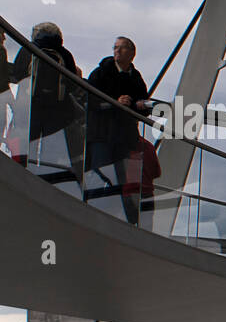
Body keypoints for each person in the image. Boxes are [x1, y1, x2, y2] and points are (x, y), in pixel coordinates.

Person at [86, 37, 151, 224]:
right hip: (102, 134)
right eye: (115, 48)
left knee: (121, 179)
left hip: (122, 136)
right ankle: (94, 211)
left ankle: (117, 217)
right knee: (101, 173)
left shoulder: (136, 78)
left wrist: (140, 106)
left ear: (132, 53)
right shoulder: (101, 73)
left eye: (121, 48)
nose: (116, 51)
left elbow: (144, 105)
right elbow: (90, 100)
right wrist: (114, 103)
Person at [6, 21, 81, 169]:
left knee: (27, 146)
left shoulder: (28, 49)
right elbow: (72, 84)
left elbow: (17, 74)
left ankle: (23, 174)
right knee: (50, 151)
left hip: (30, 106)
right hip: (56, 111)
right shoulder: (65, 55)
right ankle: (46, 178)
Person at [122, 133, 162, 231]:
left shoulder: (123, 146)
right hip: (147, 194)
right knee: (146, 230)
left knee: (125, 229)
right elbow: (157, 173)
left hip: (129, 193)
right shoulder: (149, 147)